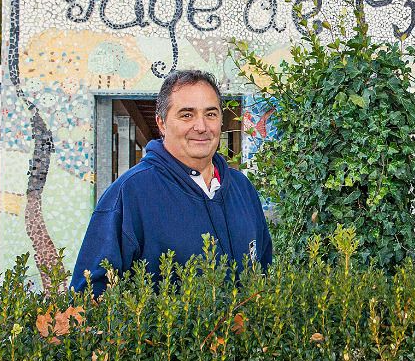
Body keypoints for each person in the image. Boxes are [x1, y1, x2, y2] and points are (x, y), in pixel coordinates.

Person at [70, 70, 272, 296]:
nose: (201, 126)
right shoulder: (129, 194)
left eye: (211, 114)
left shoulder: (242, 188)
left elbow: (263, 271)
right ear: (162, 123)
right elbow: (89, 296)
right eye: (187, 115)